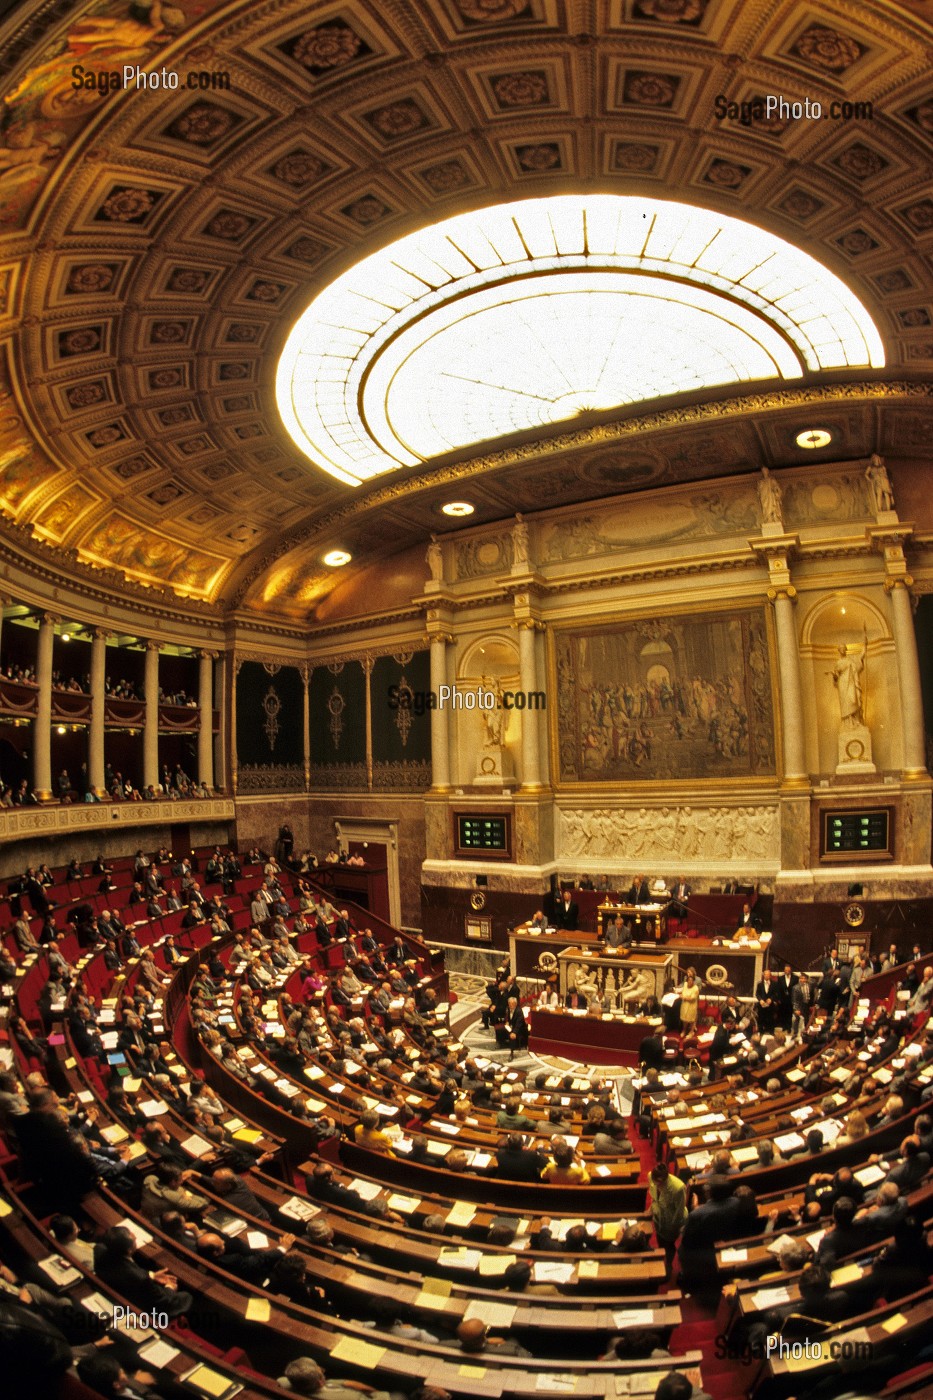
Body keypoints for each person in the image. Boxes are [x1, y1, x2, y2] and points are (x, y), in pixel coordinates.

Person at [648, 1162, 687, 1273]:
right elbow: (654, 1196)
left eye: (660, 1183)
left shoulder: (678, 1187)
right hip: (658, 1218)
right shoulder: (650, 1175)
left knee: (669, 1245)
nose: (657, 1185)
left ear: (664, 1179)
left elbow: (679, 1211)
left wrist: (673, 1228)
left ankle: (669, 1263)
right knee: (661, 1241)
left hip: (671, 1221)